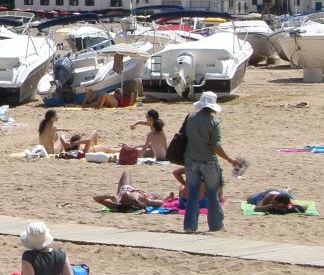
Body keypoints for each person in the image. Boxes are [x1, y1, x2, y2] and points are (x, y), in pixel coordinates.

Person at [182, 91, 242, 233]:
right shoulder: (214, 122)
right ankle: (216, 225)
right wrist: (229, 159)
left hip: (190, 160)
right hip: (208, 160)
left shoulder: (190, 118)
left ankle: (190, 226)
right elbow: (216, 145)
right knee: (212, 193)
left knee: (193, 194)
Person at [93, 171, 171, 211]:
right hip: (143, 196)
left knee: (126, 172)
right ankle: (167, 197)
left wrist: (108, 196)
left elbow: (95, 198)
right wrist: (149, 201)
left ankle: (167, 197)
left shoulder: (116, 204)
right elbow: (161, 203)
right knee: (158, 198)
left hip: (130, 194)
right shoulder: (140, 201)